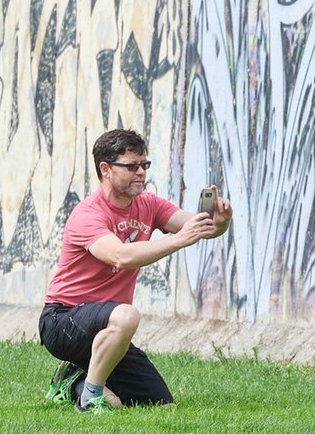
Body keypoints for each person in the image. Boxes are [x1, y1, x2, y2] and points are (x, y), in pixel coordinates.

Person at [39, 128, 231, 413]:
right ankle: (89, 399)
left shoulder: (149, 204)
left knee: (161, 405)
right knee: (127, 314)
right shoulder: (87, 215)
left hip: (109, 324)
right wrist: (177, 239)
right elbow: (119, 256)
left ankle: (75, 379)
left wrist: (220, 221)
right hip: (63, 319)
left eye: (144, 165)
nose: (141, 172)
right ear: (105, 169)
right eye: (131, 166)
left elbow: (199, 228)